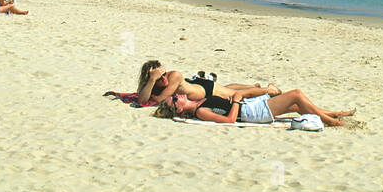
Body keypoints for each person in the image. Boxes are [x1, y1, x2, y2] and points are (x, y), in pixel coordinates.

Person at [155, 88, 355, 128]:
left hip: (249, 106)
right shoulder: (200, 112)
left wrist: (243, 93)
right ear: (179, 109)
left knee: (295, 105)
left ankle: (332, 113)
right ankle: (334, 122)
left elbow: (232, 92)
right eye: (175, 99)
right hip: (249, 113)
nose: (177, 95)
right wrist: (236, 101)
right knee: (296, 95)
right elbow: (229, 120)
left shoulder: (200, 101)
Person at [136, 60, 278, 107]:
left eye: (163, 74)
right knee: (225, 88)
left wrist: (155, 81)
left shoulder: (174, 76)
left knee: (236, 94)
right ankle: (253, 87)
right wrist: (152, 80)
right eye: (160, 78)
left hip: (204, 90)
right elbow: (142, 99)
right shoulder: (152, 82)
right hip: (199, 85)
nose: (164, 79)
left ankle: (269, 90)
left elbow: (159, 100)